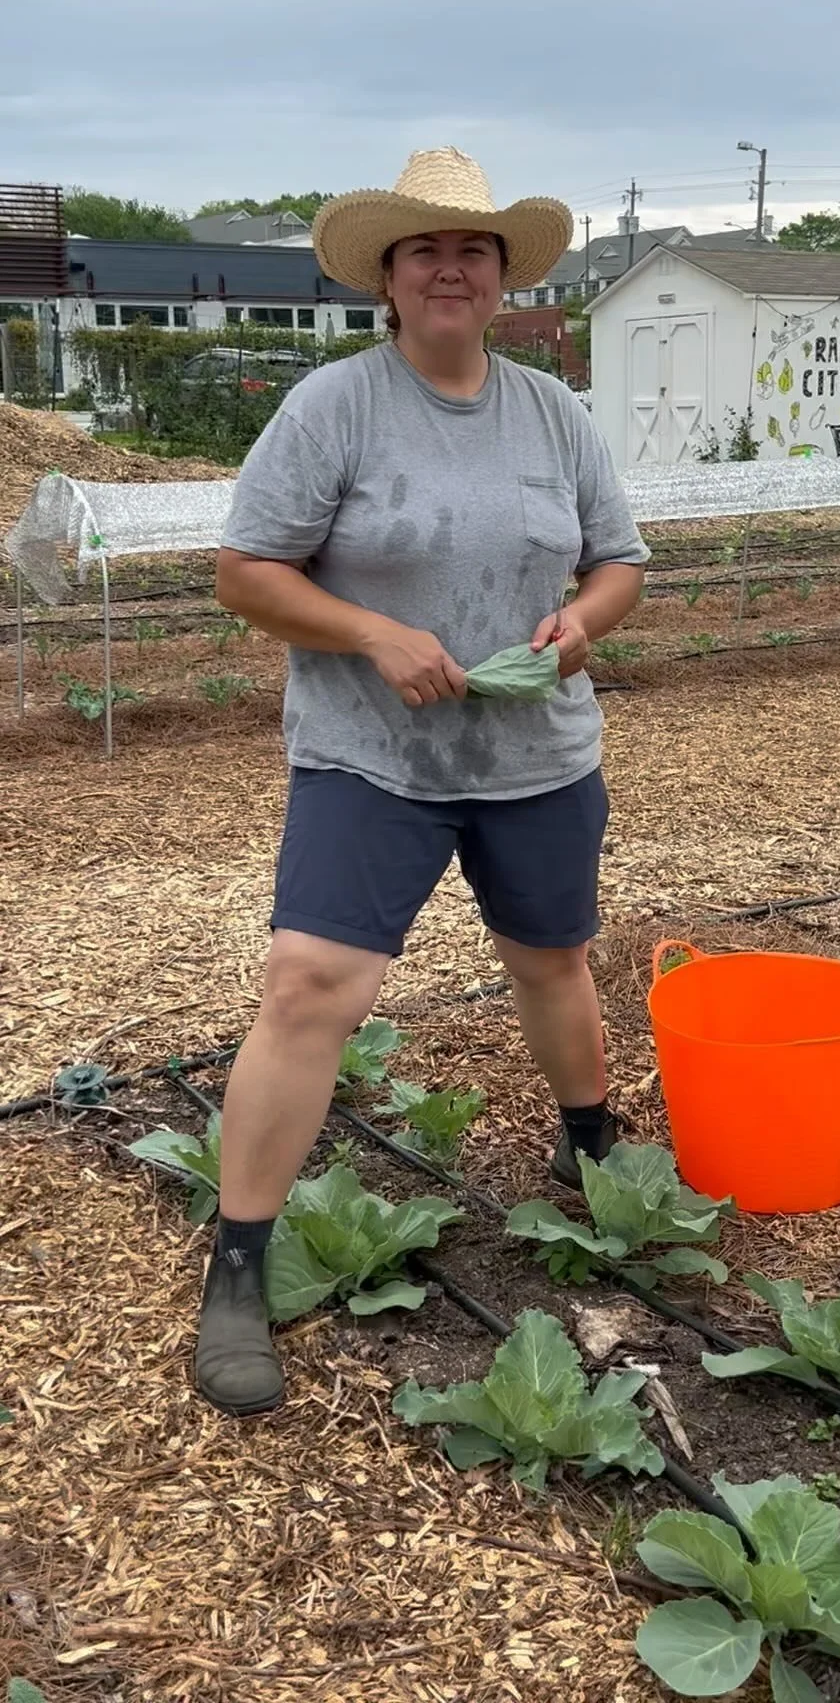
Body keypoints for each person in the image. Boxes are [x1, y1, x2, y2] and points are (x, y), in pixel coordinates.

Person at [197, 148, 649, 1415]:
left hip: (535, 752)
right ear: (387, 282)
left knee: (552, 960)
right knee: (311, 988)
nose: (450, 268)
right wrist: (374, 634)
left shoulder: (554, 410)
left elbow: (618, 560)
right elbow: (245, 572)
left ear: (503, 280)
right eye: (423, 251)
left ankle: (591, 1153)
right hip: (372, 755)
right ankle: (238, 1265)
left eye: (473, 250)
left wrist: (582, 626)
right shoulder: (334, 407)